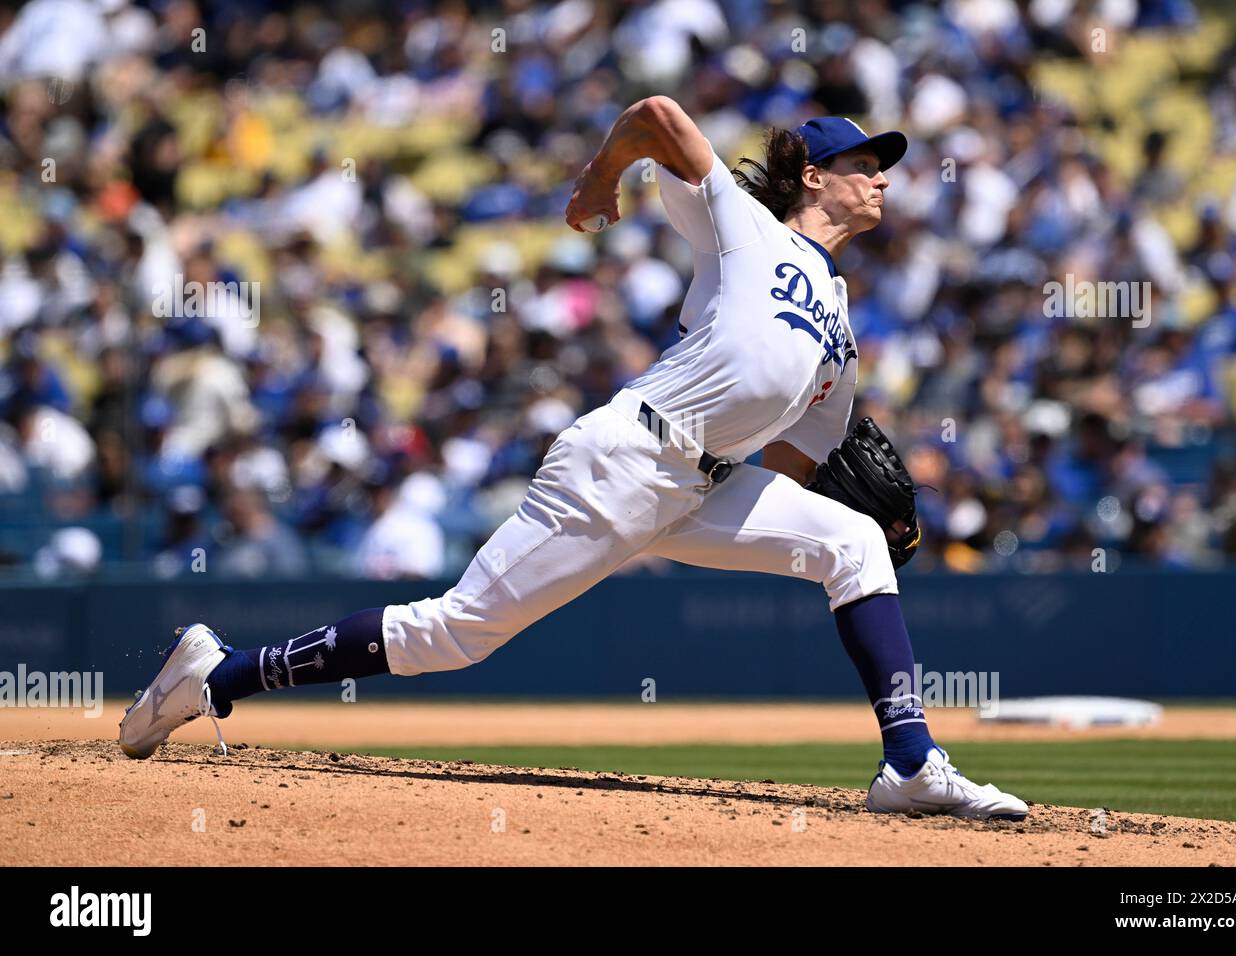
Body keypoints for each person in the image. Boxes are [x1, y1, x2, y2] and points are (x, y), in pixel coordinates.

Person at [120, 97, 1027, 820]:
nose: (882, 178)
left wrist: (818, 534)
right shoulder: (748, 229)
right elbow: (657, 117)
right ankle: (219, 672)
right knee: (454, 635)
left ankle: (911, 764)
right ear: (814, 176)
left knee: (853, 546)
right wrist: (601, 181)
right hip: (625, 458)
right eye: (865, 164)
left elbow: (795, 458)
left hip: (698, 488)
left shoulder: (841, 326)